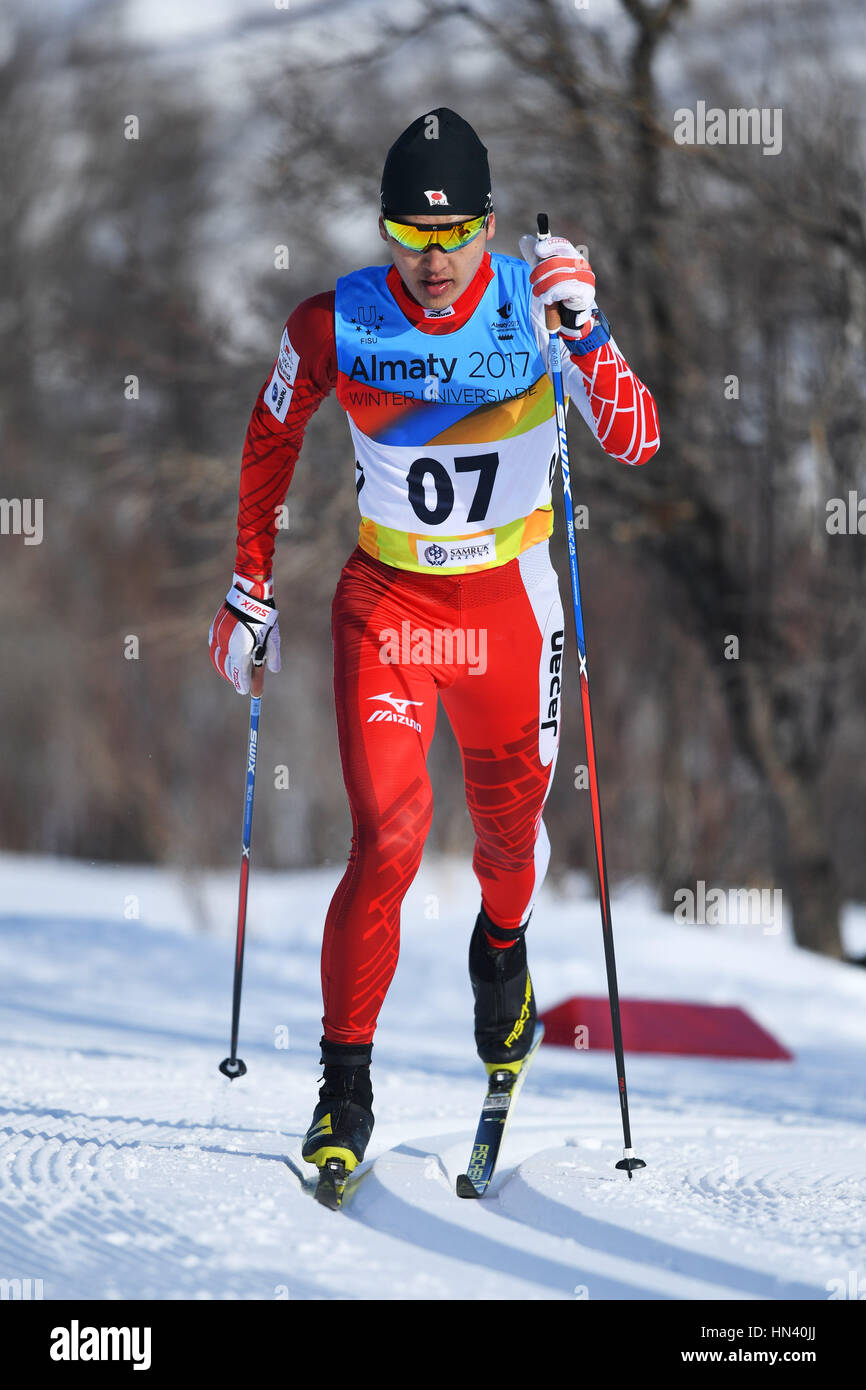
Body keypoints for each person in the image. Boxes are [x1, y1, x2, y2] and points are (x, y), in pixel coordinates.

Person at [209, 108, 659, 1177]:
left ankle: (500, 950)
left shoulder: (537, 303)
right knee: (390, 840)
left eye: (453, 235)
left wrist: (587, 333)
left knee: (509, 846)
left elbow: (635, 440)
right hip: (390, 609)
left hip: (510, 608)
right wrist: (246, 586)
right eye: (408, 237)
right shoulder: (334, 322)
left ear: (489, 227)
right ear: (382, 233)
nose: (432, 262)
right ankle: (343, 1086)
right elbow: (271, 436)